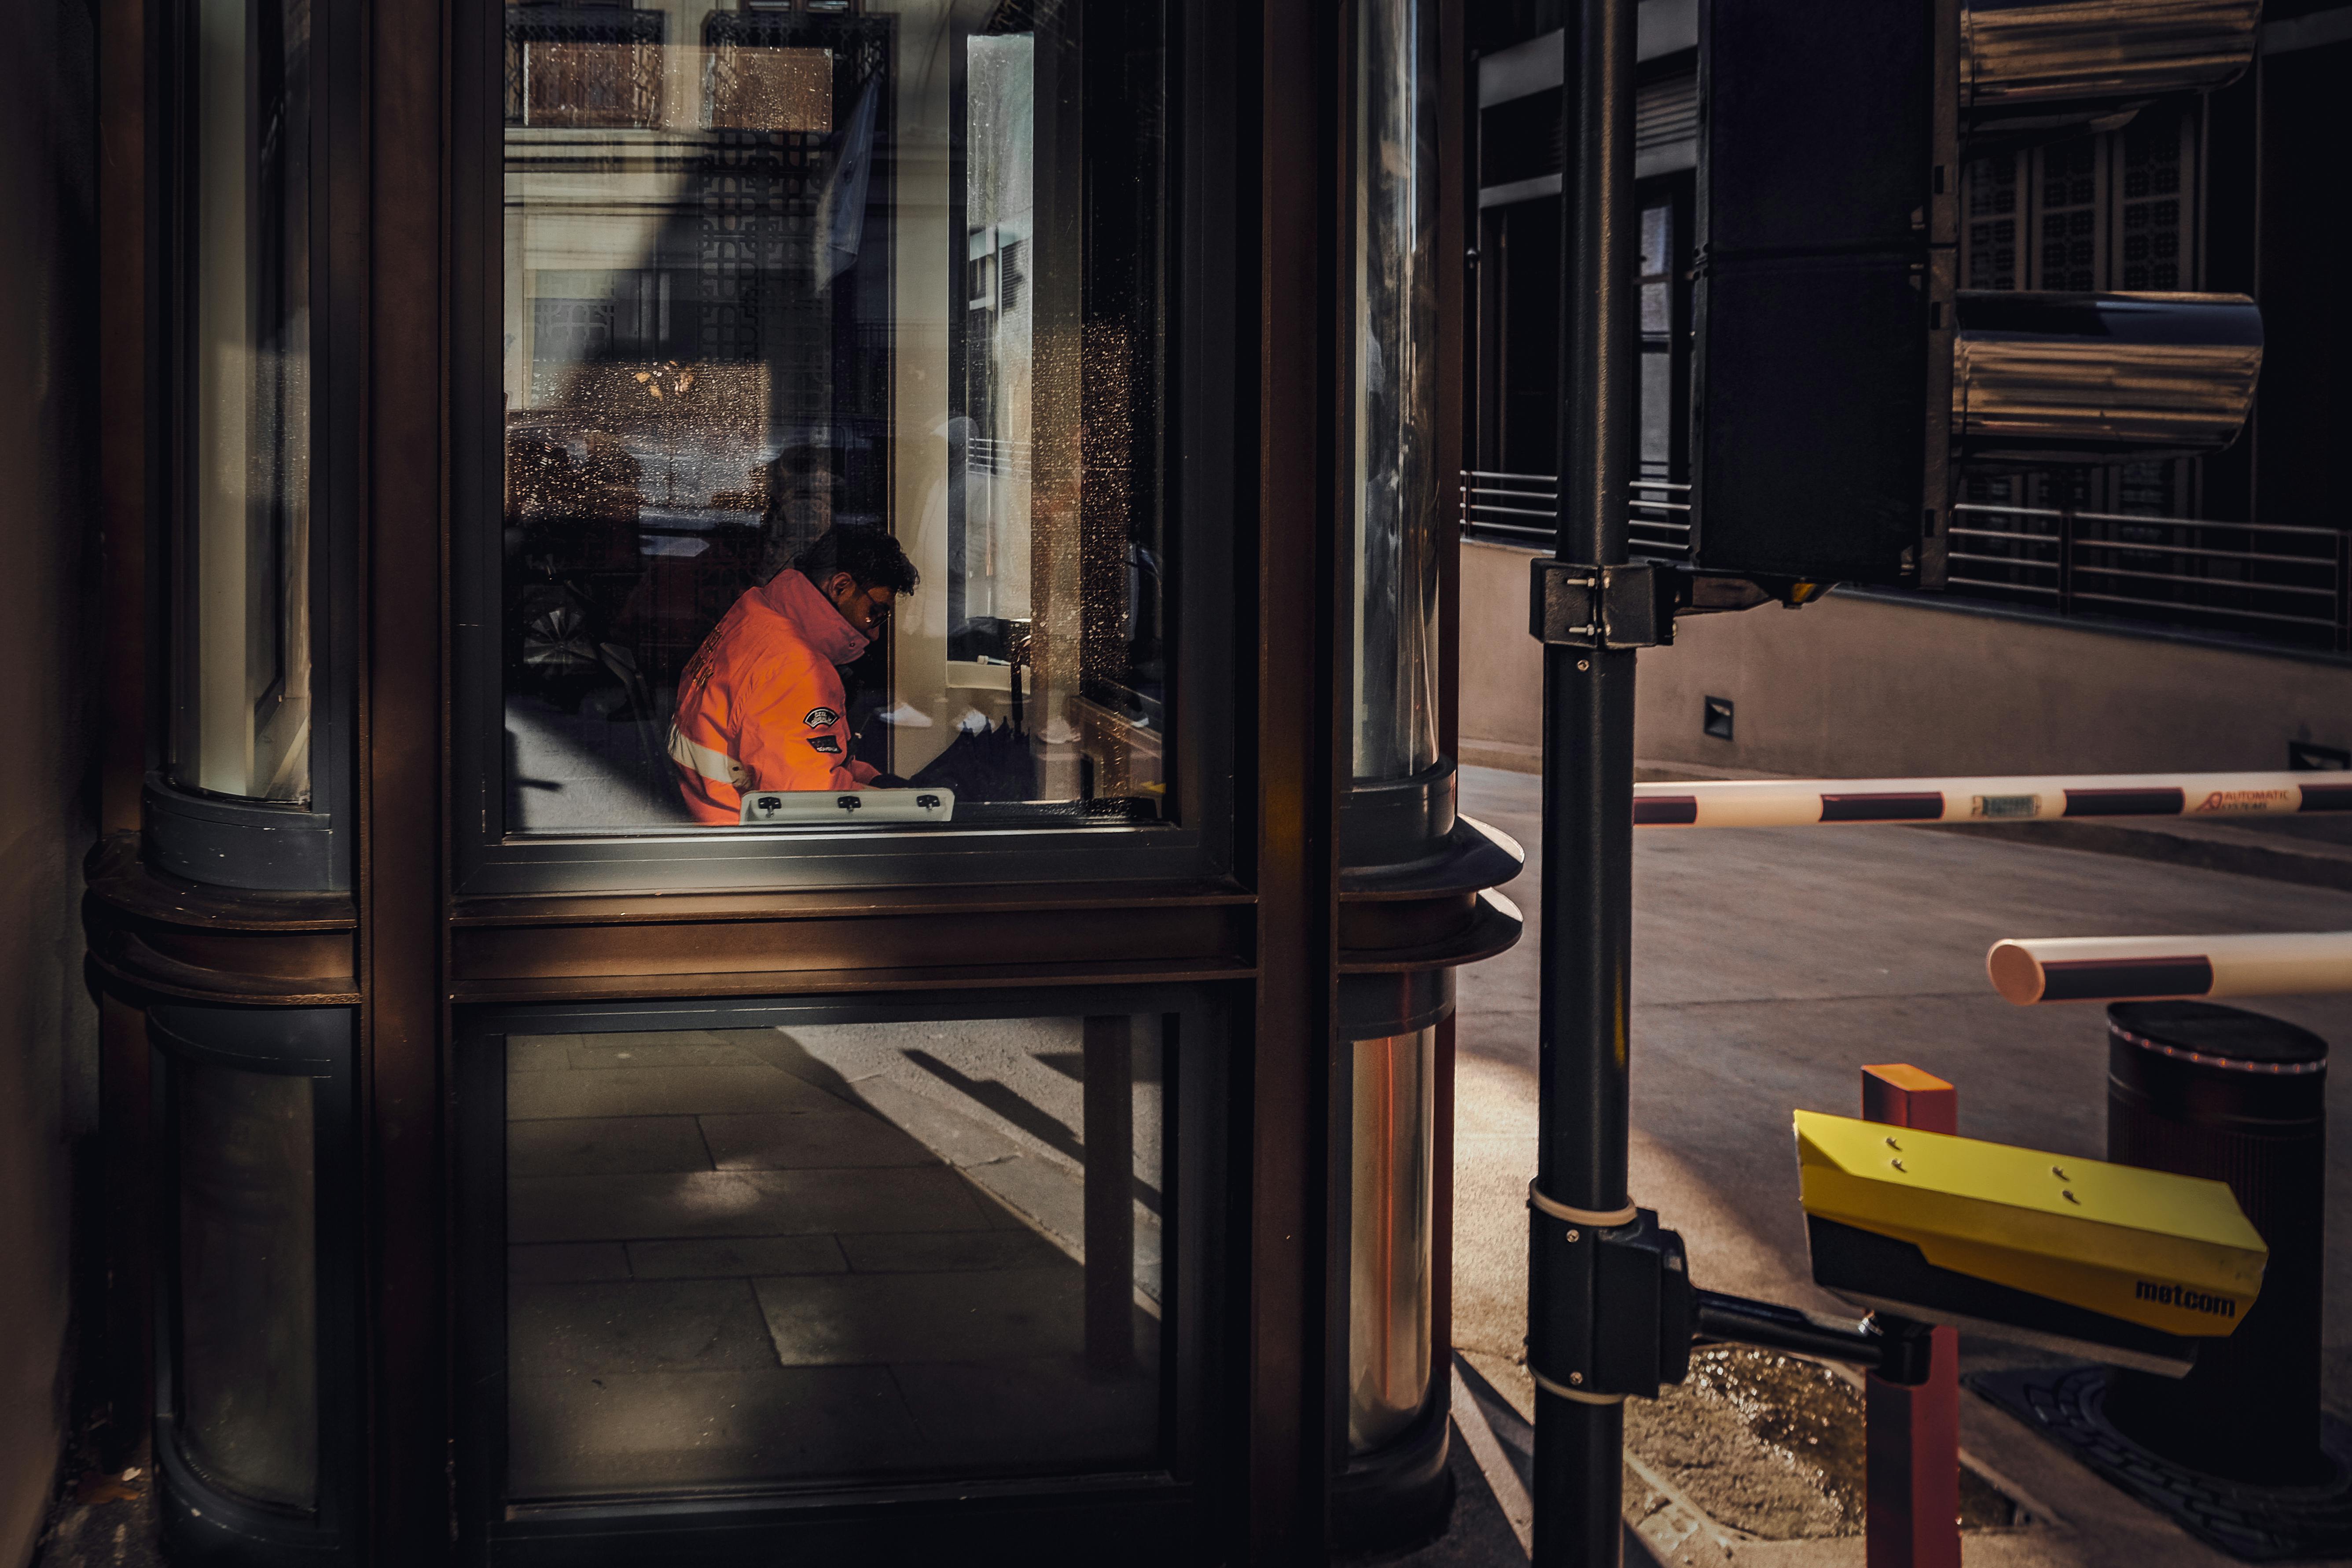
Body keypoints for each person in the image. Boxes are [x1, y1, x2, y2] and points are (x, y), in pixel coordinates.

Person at [667, 527, 919, 825]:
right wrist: (903, 805)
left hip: (705, 810)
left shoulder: (754, 612)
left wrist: (873, 779)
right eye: (874, 613)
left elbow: (799, 759)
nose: (875, 632)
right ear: (840, 587)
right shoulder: (798, 669)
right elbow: (813, 803)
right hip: (747, 846)